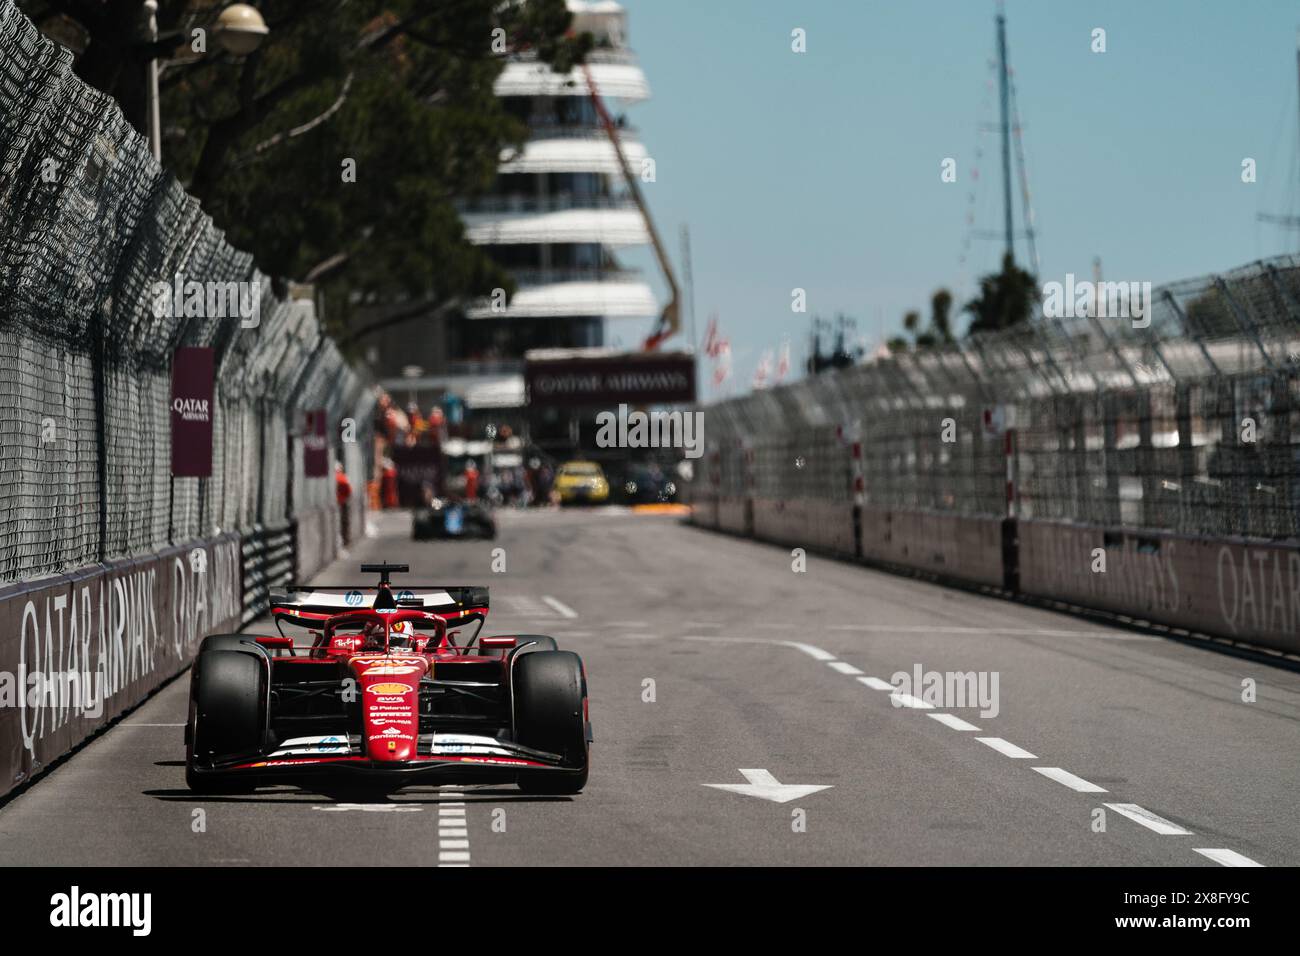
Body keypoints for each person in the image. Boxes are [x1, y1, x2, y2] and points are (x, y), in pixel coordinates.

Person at [335, 461, 353, 545]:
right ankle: (346, 541)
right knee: (344, 523)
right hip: (342, 503)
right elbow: (349, 491)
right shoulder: (343, 478)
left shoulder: (335, 478)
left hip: (337, 502)